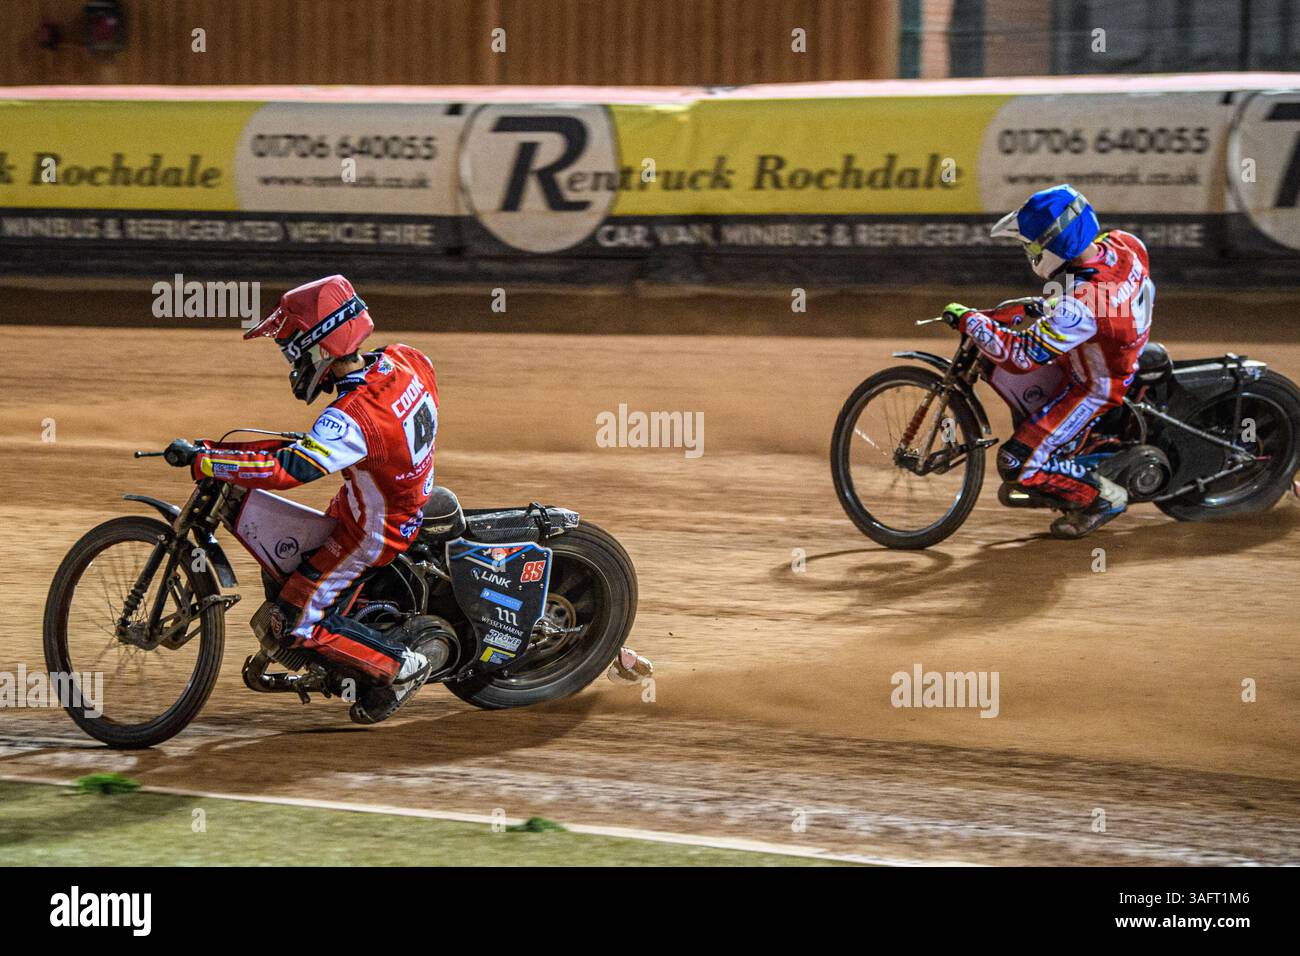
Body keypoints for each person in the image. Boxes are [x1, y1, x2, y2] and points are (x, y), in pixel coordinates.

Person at [163, 274, 441, 723]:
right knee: (292, 567)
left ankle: (401, 668)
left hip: (372, 531)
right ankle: (350, 636)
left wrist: (208, 462)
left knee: (291, 623)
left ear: (321, 345)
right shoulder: (405, 359)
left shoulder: (352, 418)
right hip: (386, 496)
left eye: (291, 346)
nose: (289, 357)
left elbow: (284, 471)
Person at [942, 184, 1155, 539]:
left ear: (1055, 244)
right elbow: (1099, 290)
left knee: (1017, 462)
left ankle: (1105, 497)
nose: (1029, 251)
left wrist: (969, 320)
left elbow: (1019, 356)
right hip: (1114, 346)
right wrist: (1049, 306)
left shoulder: (1083, 305)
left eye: (1033, 245)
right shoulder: (1125, 244)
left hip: (1096, 387)